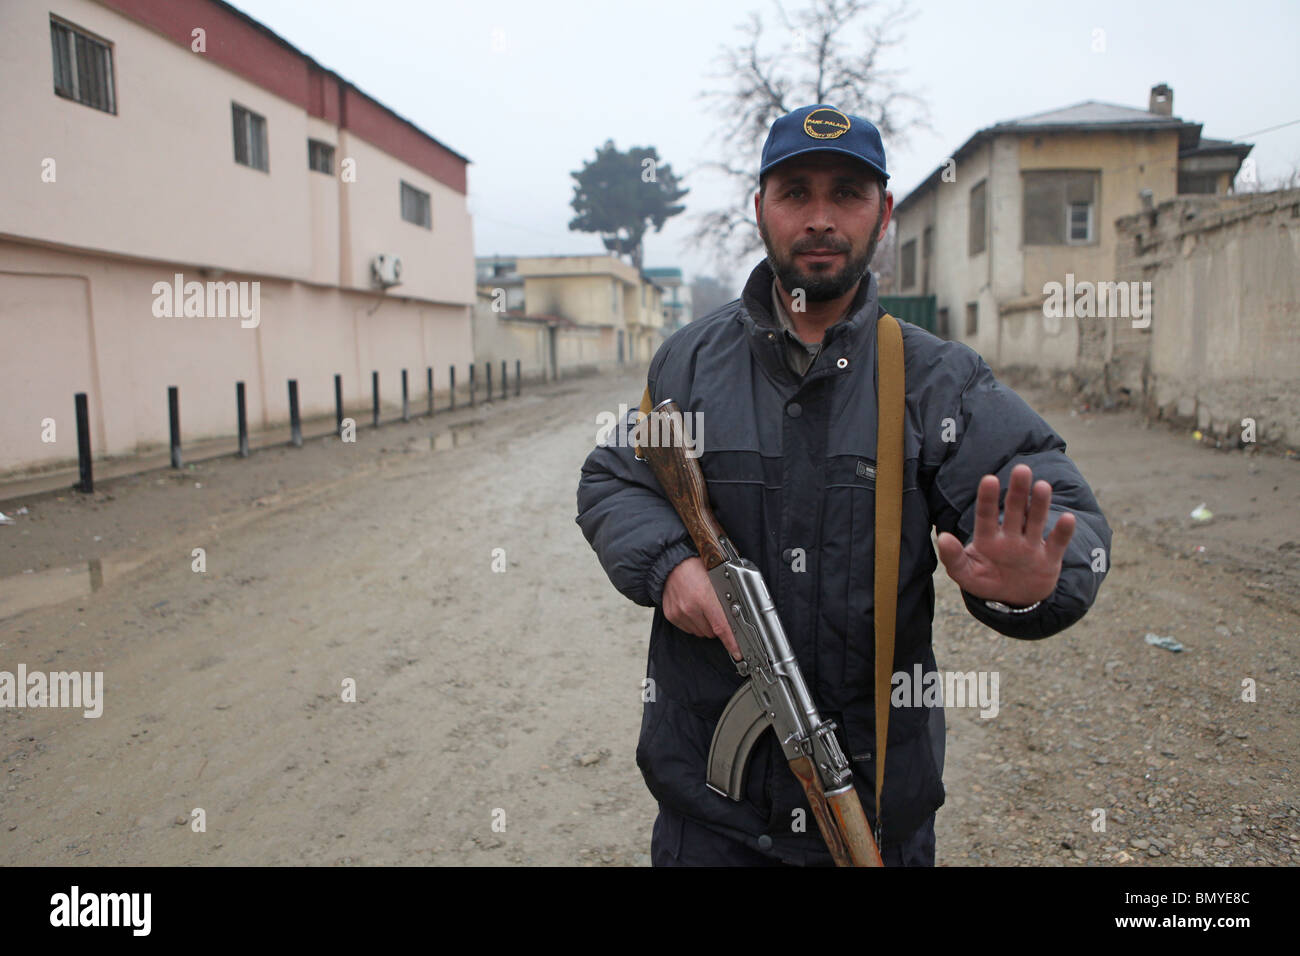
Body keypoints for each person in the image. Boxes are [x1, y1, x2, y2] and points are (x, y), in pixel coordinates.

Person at [575, 104, 1112, 866]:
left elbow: (1067, 514)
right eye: (796, 192)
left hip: (873, 807)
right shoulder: (687, 365)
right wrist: (671, 567)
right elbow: (612, 480)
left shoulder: (938, 381)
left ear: (883, 214)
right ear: (759, 207)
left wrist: (1031, 583)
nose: (821, 218)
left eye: (847, 194)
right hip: (710, 819)